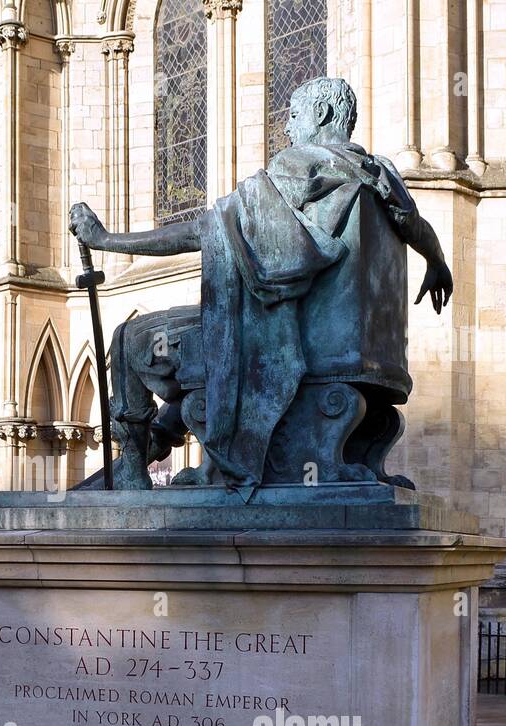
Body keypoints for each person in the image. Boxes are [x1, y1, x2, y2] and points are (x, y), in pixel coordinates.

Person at [69, 76, 453, 491]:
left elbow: (206, 231)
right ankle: (156, 445)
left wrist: (107, 240)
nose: (286, 128)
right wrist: (437, 262)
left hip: (294, 340)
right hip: (337, 345)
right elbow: (415, 225)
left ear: (321, 114)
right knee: (206, 346)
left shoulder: (300, 165)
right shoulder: (381, 175)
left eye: (292, 115)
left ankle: (131, 466)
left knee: (131, 336)